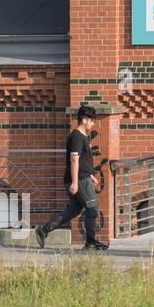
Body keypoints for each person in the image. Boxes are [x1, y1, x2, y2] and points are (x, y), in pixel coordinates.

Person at [36, 105, 109, 251]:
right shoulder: (77, 136)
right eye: (92, 121)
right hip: (79, 181)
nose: (93, 124)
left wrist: (90, 176)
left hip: (82, 178)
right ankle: (90, 243)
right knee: (92, 208)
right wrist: (75, 182)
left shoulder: (81, 137)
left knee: (74, 210)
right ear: (85, 119)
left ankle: (44, 230)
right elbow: (74, 160)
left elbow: (82, 161)